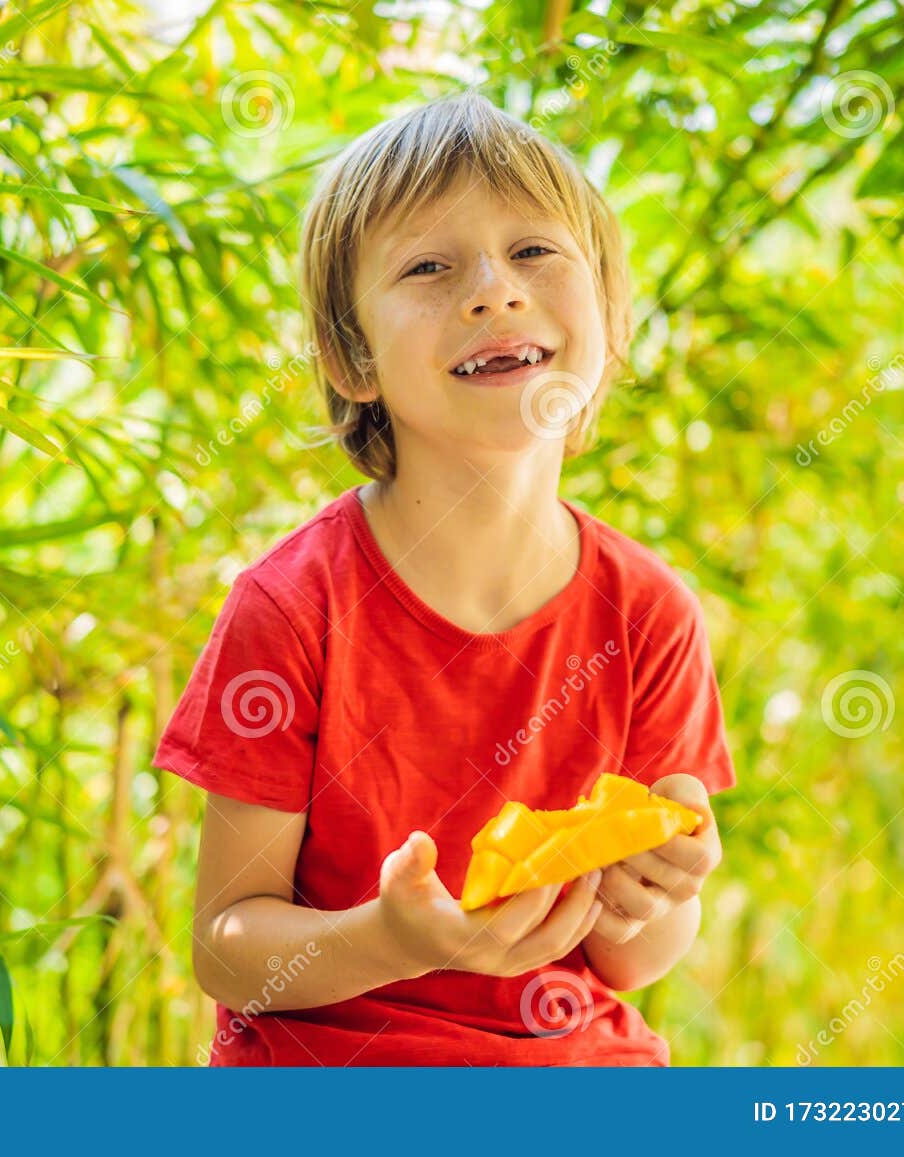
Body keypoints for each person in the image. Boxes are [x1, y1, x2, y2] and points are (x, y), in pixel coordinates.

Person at [153, 90, 736, 1065]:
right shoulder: (291, 608)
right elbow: (227, 946)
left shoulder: (649, 614)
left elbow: (634, 960)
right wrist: (385, 939)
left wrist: (662, 888)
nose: (493, 290)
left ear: (608, 311)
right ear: (351, 357)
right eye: (429, 266)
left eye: (535, 251)